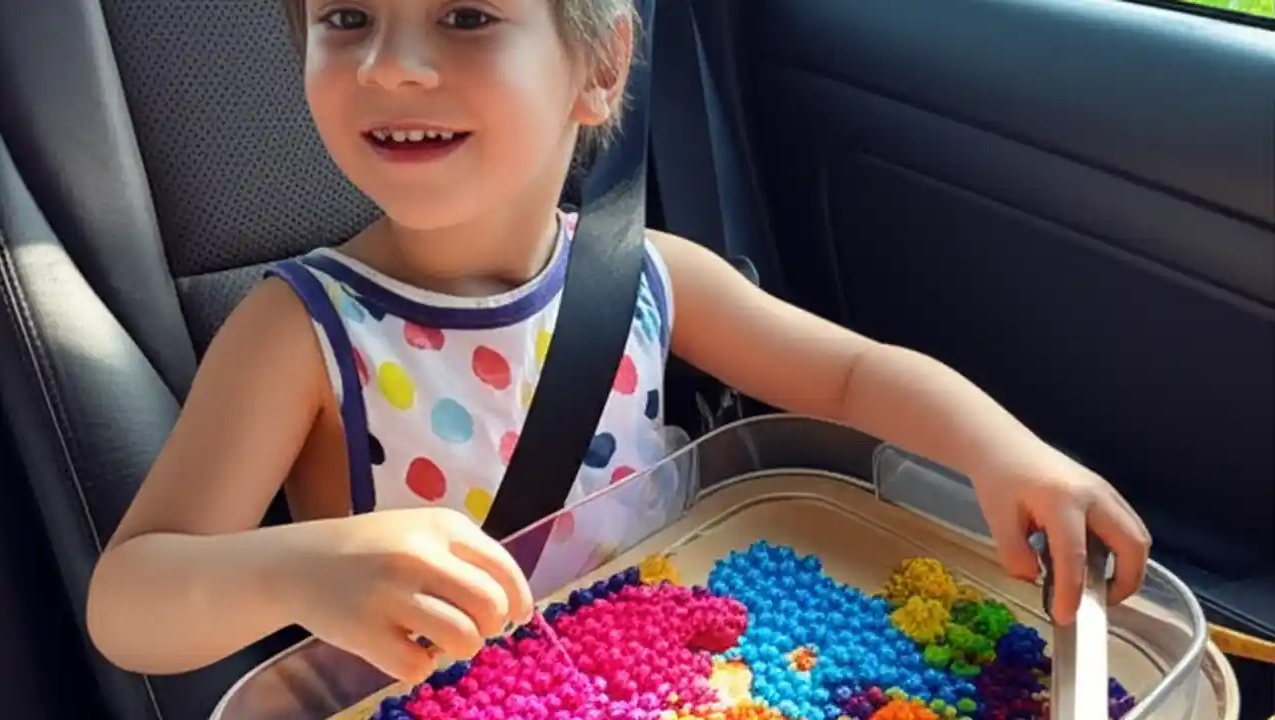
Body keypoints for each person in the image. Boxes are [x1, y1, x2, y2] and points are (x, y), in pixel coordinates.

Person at [85, 0, 1151, 687]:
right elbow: (130, 601)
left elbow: (848, 373)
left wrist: (1006, 452)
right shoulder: (300, 331)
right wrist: (295, 572)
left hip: (685, 676)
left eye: (462, 15)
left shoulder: (646, 276)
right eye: (346, 16)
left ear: (599, 68)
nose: (391, 65)